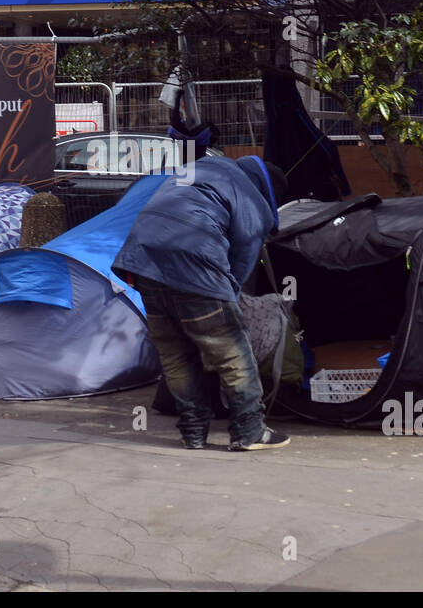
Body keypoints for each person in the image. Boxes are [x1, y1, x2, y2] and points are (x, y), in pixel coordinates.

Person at [113, 155, 291, 452]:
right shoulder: (251, 198)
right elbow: (243, 260)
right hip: (195, 266)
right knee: (232, 351)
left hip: (143, 263)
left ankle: (193, 432)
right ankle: (249, 431)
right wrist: (227, 300)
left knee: (175, 354)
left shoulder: (200, 169)